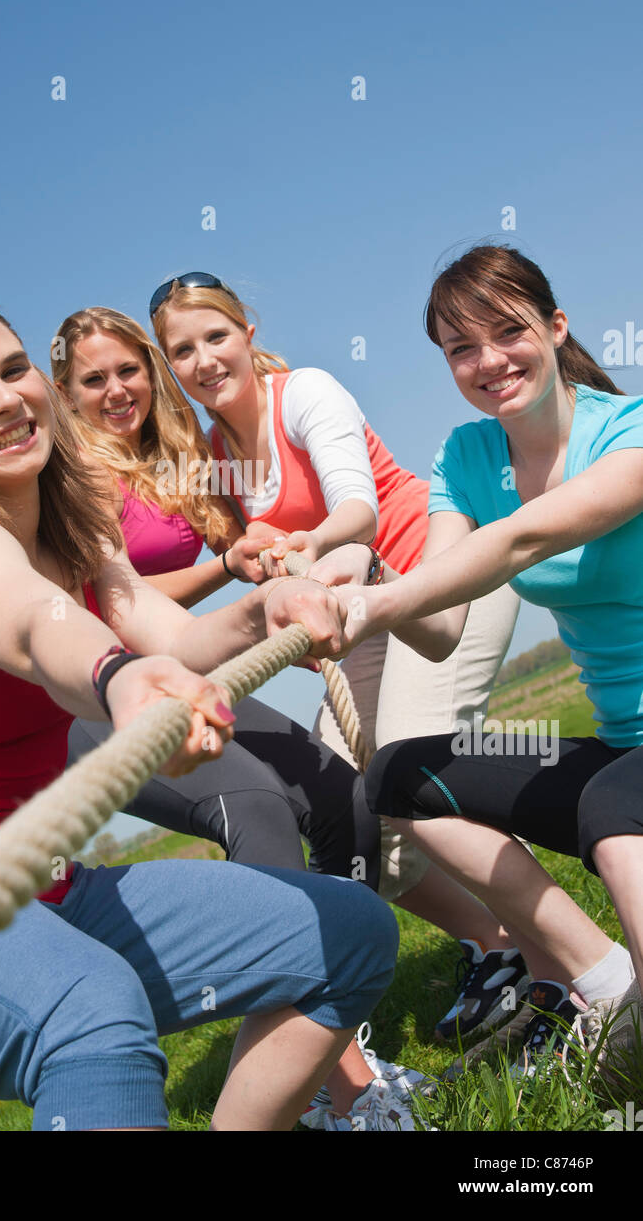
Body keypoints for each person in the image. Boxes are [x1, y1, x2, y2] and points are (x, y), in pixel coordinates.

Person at [0, 284, 399, 1132]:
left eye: (13, 370)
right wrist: (118, 679)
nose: (6, 400)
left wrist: (263, 608)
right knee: (94, 1015)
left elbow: (165, 629)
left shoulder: (78, 534)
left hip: (56, 896)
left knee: (350, 932)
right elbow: (35, 626)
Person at [51, 305, 418, 1129]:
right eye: (93, 380)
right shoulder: (74, 475)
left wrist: (272, 559)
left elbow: (247, 534)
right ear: (66, 395)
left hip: (185, 670)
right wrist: (226, 564)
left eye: (129, 370)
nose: (116, 389)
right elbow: (123, 599)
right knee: (256, 807)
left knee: (340, 798)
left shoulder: (180, 459)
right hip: (95, 697)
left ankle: (320, 1023)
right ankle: (343, 1088)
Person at [150, 272, 527, 1055]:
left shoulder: (306, 393)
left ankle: (566, 967)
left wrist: (309, 546)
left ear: (246, 332)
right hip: (359, 624)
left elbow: (357, 507)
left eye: (215, 336)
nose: (204, 359)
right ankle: (499, 946)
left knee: (413, 778)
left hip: (435, 584)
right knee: (352, 809)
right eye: (181, 351)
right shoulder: (217, 455)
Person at [331, 243, 642, 1078]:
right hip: (623, 745)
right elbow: (440, 621)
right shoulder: (466, 459)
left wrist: (375, 599)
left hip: (632, 774)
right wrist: (357, 583)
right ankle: (609, 982)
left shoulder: (630, 431)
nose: (488, 361)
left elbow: (527, 537)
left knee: (617, 824)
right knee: (396, 778)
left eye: (509, 331)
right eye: (461, 348)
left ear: (556, 325)